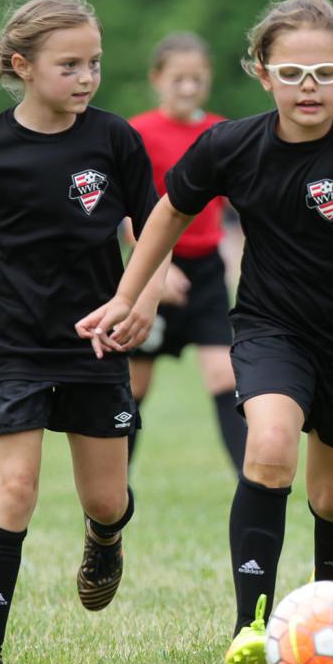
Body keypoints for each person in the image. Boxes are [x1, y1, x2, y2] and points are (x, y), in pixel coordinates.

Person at [76, 0, 333, 664]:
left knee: (332, 498)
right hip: (269, 328)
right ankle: (250, 627)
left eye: (324, 73)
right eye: (291, 74)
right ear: (262, 74)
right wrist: (129, 295)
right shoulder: (231, 145)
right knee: (270, 445)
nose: (308, 88)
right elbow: (168, 212)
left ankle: (327, 606)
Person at [0, 0, 166, 664]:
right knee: (13, 489)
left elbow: (155, 230)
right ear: (22, 66)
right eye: (69, 65)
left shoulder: (114, 139)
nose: (85, 77)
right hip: (13, 347)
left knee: (106, 497)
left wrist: (143, 301)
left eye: (93, 63)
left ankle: (106, 537)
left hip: (98, 345)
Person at [128, 32, 245, 472]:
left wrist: (238, 254)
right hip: (152, 271)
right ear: (157, 79)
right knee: (135, 384)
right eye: (179, 79)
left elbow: (239, 206)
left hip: (207, 272)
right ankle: (111, 490)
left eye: (198, 79)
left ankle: (253, 485)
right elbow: (129, 212)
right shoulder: (139, 133)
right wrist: (160, 269)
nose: (189, 88)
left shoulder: (221, 132)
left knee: (225, 376)